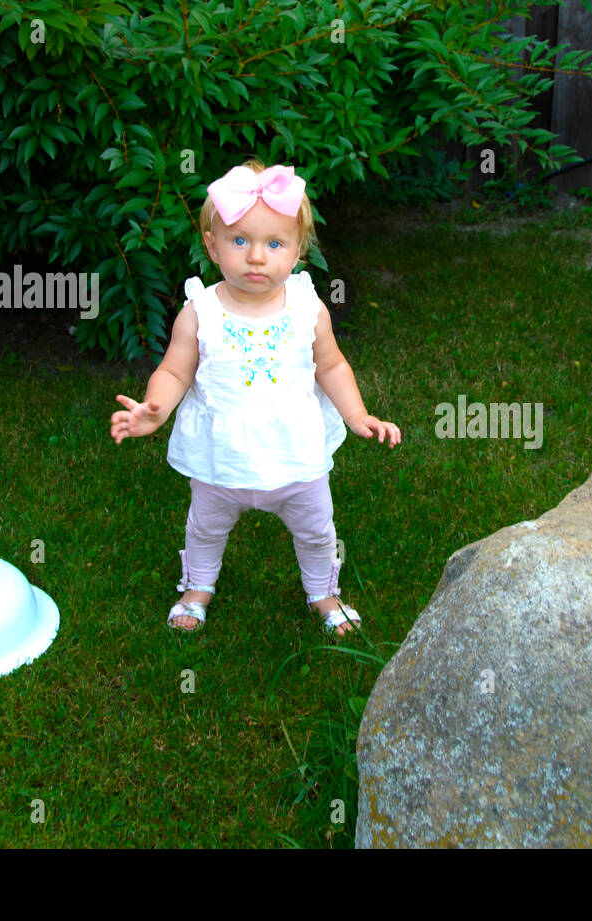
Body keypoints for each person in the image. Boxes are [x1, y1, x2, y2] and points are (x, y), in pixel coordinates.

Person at [110, 160, 401, 636]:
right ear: (212, 245)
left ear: (298, 250)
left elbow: (330, 365)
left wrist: (357, 414)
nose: (257, 257)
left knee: (316, 530)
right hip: (221, 459)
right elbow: (173, 370)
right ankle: (198, 587)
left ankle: (324, 594)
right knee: (205, 527)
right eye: (239, 240)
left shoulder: (307, 307)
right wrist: (153, 410)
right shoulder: (200, 312)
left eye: (274, 243)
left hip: (297, 456)